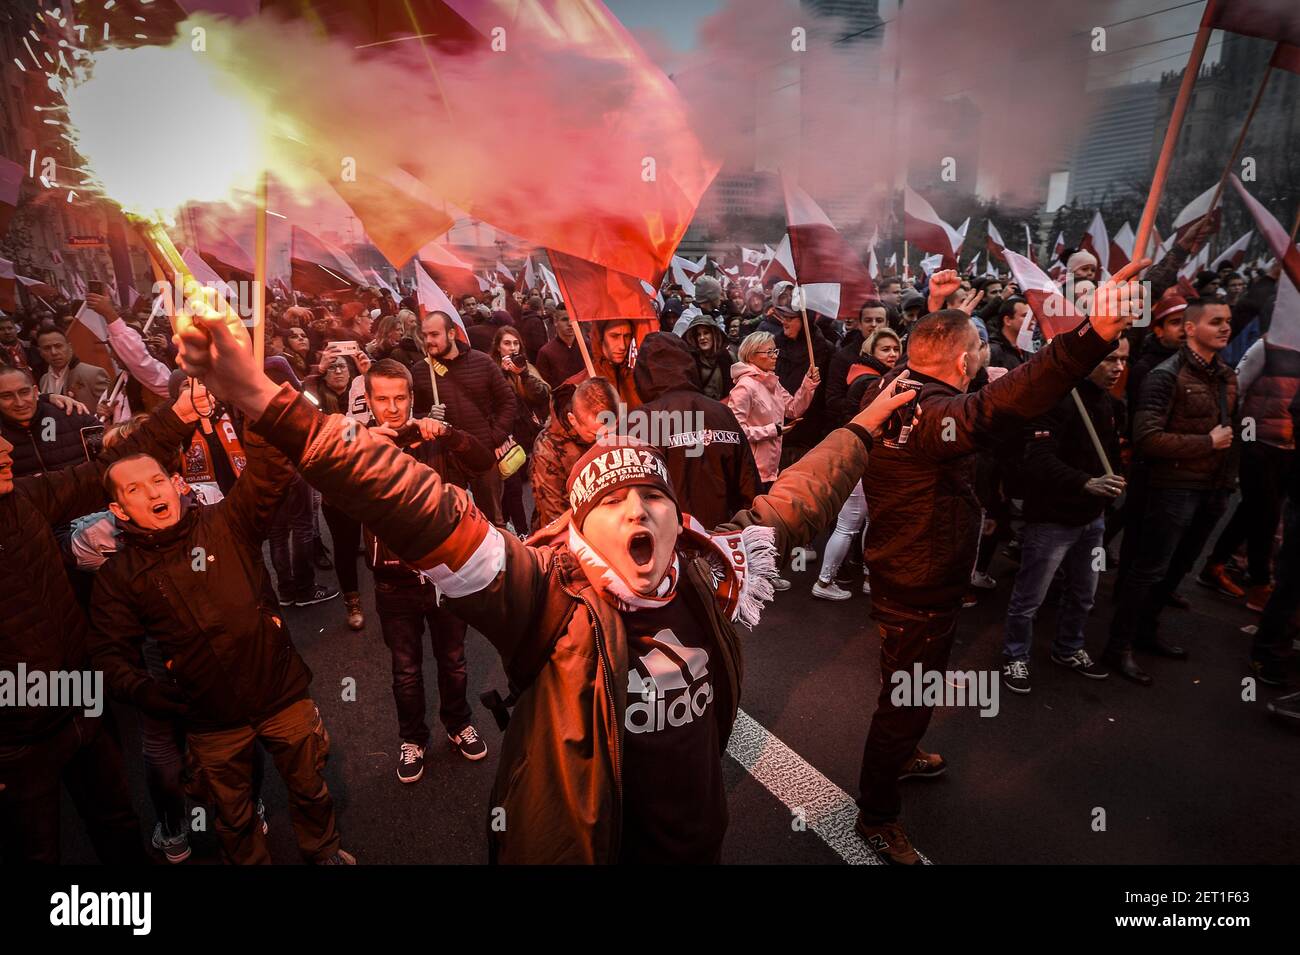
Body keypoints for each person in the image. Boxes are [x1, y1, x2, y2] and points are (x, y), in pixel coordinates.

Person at [172, 304, 915, 864]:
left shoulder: (706, 565)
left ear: (676, 514)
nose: (638, 509)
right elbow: (414, 503)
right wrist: (267, 401)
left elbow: (799, 498)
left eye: (652, 496)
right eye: (613, 502)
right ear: (577, 530)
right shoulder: (547, 597)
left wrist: (867, 424)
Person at [854, 263, 1146, 863]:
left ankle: (902, 754)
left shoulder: (887, 393)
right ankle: (878, 815)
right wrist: (1089, 337)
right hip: (918, 581)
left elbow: (963, 382)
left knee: (908, 682)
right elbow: (997, 407)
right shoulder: (936, 416)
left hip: (907, 570)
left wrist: (937, 303)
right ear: (963, 364)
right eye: (980, 351)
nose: (986, 361)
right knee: (903, 698)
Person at [87, 416, 354, 865]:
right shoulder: (120, 576)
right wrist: (147, 691)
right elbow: (107, 653)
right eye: (134, 490)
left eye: (157, 480)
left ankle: (322, 851)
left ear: (177, 483)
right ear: (117, 510)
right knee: (232, 815)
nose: (152, 493)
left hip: (281, 694)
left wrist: (257, 406)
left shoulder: (227, 521)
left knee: (310, 786)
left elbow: (269, 472)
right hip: (211, 719)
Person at [0, 388, 201, 863]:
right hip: (15, 741)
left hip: (78, 704)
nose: (7, 449)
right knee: (36, 849)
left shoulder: (23, 499)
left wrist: (177, 416)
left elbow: (102, 471)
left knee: (117, 823)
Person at [362, 359, 496, 776]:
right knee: (405, 669)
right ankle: (412, 739)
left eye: (400, 398)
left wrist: (450, 434)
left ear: (412, 398)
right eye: (382, 399)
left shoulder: (432, 439)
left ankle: (458, 724)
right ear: (368, 400)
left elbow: (484, 461)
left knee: (453, 659)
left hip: (443, 575)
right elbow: (331, 498)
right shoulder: (360, 446)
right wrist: (362, 445)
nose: (392, 408)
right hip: (393, 581)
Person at [1105, 299, 1238, 685]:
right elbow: (1147, 439)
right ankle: (1119, 645)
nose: (1226, 328)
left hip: (1212, 488)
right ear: (1192, 329)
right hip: (1173, 487)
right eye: (1216, 322)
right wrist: (1205, 444)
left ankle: (1148, 631)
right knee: (1149, 569)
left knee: (1178, 567)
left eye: (1228, 322)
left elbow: (1232, 434)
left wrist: (1226, 484)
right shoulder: (1166, 375)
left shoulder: (1225, 375)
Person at [1000, 338, 1129, 693]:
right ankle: (1015, 656)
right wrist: (1086, 483)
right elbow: (1038, 460)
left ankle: (1068, 648)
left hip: (1093, 519)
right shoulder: (1057, 400)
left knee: (1084, 594)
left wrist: (1113, 480)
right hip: (1052, 519)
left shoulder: (1111, 404)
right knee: (1030, 597)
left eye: (1123, 360)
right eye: (1110, 360)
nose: (1118, 368)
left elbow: (1111, 454)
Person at [1199, 333, 1297, 610]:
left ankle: (1214, 565)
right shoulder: (1267, 345)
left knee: (1251, 510)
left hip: (1289, 446)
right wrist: (1238, 432)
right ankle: (1260, 585)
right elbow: (1236, 387)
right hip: (1257, 442)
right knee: (1266, 515)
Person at [633, 332, 761, 531]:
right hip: (724, 540)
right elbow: (749, 488)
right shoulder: (722, 413)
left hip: (672, 544)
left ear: (643, 373)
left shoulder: (640, 421)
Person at [814, 327, 903, 600]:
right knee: (850, 525)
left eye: (895, 349)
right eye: (885, 349)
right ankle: (825, 581)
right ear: (871, 352)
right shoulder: (869, 382)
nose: (892, 354)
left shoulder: (866, 376)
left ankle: (864, 578)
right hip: (862, 459)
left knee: (862, 523)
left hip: (859, 457)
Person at [413, 310, 517, 527]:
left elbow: (508, 402)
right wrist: (428, 417)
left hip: (483, 454)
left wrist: (494, 437)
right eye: (425, 336)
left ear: (451, 333)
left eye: (434, 334)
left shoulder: (483, 362)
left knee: (493, 522)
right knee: (457, 524)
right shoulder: (421, 371)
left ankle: (499, 559)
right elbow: (414, 413)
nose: (428, 341)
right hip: (446, 459)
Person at [304, 352, 368, 629]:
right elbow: (299, 402)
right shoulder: (316, 398)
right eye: (332, 368)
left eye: (343, 366)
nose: (338, 371)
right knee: (344, 544)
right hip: (338, 483)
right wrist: (316, 372)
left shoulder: (362, 391)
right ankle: (352, 602)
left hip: (372, 477)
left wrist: (370, 371)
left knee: (388, 538)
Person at [529, 378, 617, 530]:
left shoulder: (601, 411)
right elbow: (554, 516)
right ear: (572, 419)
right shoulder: (547, 451)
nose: (605, 441)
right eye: (595, 434)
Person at [492, 326, 551, 534]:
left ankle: (525, 526)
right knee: (513, 488)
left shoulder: (526, 367)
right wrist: (501, 372)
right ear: (498, 348)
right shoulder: (492, 370)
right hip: (507, 437)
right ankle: (521, 532)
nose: (512, 348)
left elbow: (543, 394)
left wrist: (523, 374)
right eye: (507, 343)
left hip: (529, 435)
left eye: (516, 343)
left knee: (538, 484)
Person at [0, 365, 101, 477]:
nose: (20, 403)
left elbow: (106, 457)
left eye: (24, 392)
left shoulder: (74, 416)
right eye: (7, 396)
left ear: (35, 392)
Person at [565, 319, 641, 409]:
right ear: (600, 337)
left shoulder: (639, 381)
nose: (622, 346)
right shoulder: (575, 386)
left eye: (627, 336)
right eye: (614, 336)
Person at [36, 325, 110, 409]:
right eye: (47, 348)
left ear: (69, 347)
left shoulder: (93, 374)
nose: (54, 352)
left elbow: (110, 408)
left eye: (58, 346)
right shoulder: (44, 380)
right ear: (40, 352)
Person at [680, 310, 734, 402]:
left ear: (714, 335)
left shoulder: (728, 357)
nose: (702, 337)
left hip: (725, 409)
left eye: (706, 333)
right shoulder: (690, 361)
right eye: (698, 334)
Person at [536, 307, 585, 389]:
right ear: (555, 322)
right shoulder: (546, 352)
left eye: (573, 318)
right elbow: (545, 386)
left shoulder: (587, 346)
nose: (570, 323)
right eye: (565, 319)